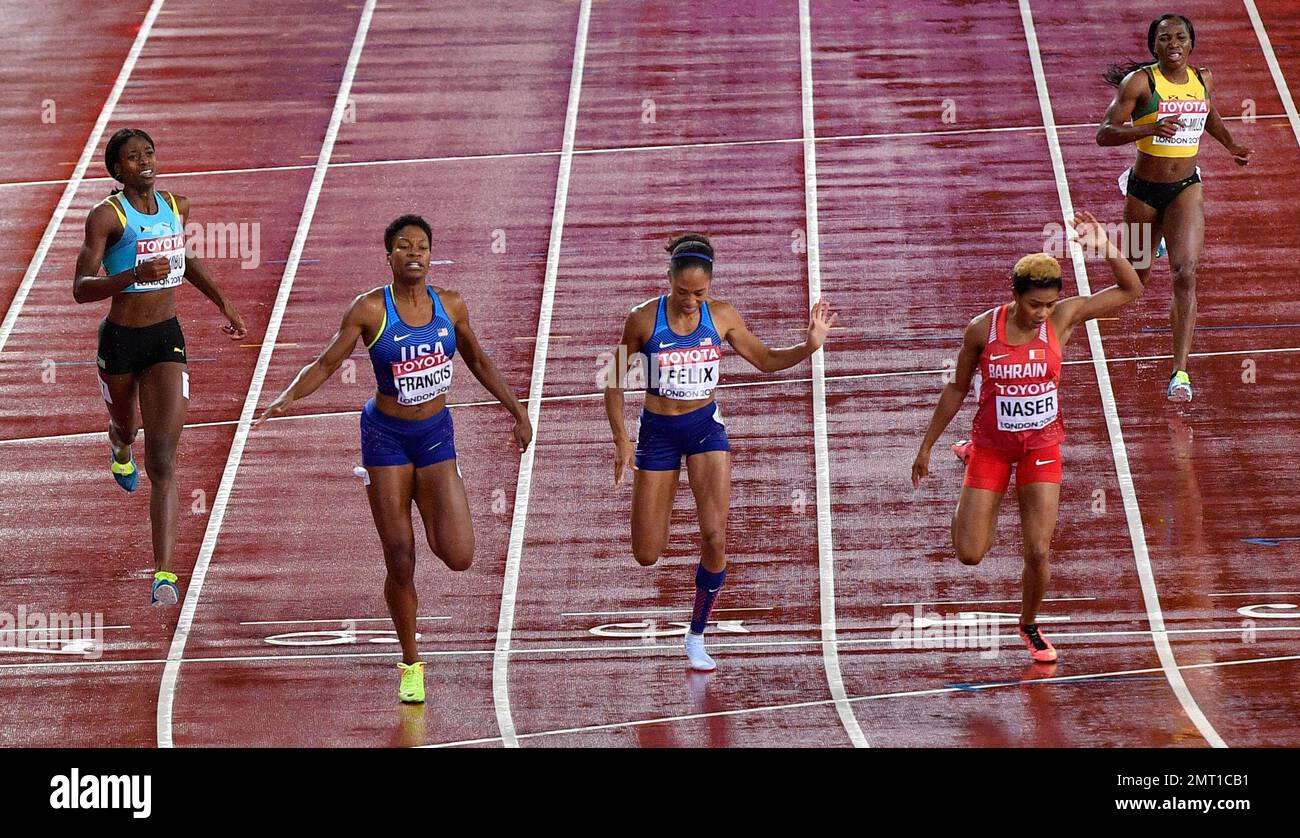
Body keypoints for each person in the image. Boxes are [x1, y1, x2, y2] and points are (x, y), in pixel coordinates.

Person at [257, 214, 531, 703]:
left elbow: (479, 360)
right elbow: (326, 362)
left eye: (422, 246)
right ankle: (410, 662)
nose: (414, 253)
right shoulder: (369, 310)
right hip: (384, 437)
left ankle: (434, 501)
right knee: (400, 557)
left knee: (459, 554)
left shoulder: (451, 305)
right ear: (388, 256)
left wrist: (517, 409)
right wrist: (287, 398)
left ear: (431, 254)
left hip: (434, 435)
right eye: (403, 246)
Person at [911, 212, 1142, 662]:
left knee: (1037, 550)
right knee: (970, 554)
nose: (1042, 314)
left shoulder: (1062, 318)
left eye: (1049, 304)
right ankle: (969, 459)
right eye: (1035, 305)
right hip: (993, 448)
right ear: (1015, 296)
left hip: (1041, 447)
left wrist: (1106, 246)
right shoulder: (983, 330)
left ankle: (1030, 624)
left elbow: (1131, 290)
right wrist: (926, 445)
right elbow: (958, 387)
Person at [603, 233, 837, 671]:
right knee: (647, 553)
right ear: (668, 281)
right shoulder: (642, 320)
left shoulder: (722, 316)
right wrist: (621, 438)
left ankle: (696, 634)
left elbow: (765, 359)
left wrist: (809, 344)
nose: (691, 302)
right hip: (658, 432)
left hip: (704, 429)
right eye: (682, 292)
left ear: (709, 288)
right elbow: (613, 378)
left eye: (699, 293)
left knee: (715, 535)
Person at [73, 127, 247, 606]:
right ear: (117, 170)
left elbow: (182, 260)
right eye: (132, 157)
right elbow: (81, 287)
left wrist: (223, 303)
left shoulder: (176, 206)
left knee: (164, 461)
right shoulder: (106, 217)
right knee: (127, 427)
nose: (144, 162)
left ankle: (164, 574)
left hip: (166, 339)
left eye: (148, 153)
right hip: (121, 341)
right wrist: (130, 276)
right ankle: (119, 444)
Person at [1097, 13, 1252, 402]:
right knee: (1134, 282)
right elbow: (1104, 134)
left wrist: (1231, 144)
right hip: (1143, 192)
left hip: (1185, 187)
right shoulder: (1141, 83)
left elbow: (1209, 114)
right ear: (1154, 46)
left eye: (1180, 37)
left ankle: (1180, 372)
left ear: (1191, 42)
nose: (1173, 44)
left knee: (1185, 273)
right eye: (1164, 39)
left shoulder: (1203, 79)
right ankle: (1156, 239)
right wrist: (1149, 128)